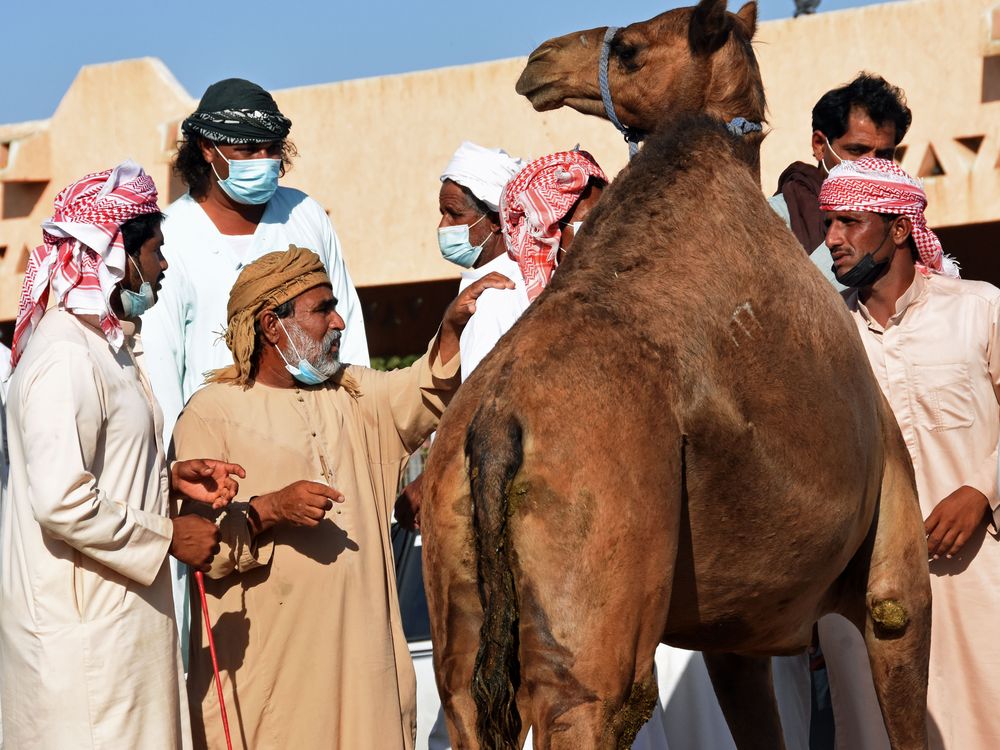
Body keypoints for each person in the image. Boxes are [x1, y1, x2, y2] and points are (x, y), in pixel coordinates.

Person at [170, 246, 509, 750]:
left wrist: (453, 329)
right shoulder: (210, 413)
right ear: (271, 324)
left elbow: (425, 392)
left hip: (366, 675)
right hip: (274, 684)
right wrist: (268, 510)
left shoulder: (354, 393)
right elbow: (200, 550)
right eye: (322, 309)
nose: (339, 321)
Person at [0, 162, 244, 749]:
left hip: (123, 631)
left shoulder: (107, 349)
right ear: (115, 253)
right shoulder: (63, 355)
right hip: (83, 648)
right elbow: (61, 501)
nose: (162, 267)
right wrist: (167, 537)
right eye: (155, 251)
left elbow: (103, 471)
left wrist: (168, 478)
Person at [140, 77, 370, 649]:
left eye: (271, 150)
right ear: (206, 153)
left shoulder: (305, 215)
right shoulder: (173, 236)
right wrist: (183, 483)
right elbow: (163, 368)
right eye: (247, 151)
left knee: (329, 625)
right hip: (219, 474)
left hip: (319, 455)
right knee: (230, 638)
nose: (263, 163)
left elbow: (348, 332)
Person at [820, 157, 998, 749]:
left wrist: (982, 492)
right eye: (827, 223)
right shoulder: (826, 337)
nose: (832, 239)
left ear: (900, 229)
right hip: (865, 591)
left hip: (977, 575)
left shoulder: (979, 308)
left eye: (849, 221)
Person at [769, 73, 912, 291]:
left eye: (883, 155)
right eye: (856, 150)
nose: (870, 166)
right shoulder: (776, 219)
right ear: (819, 145)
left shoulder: (898, 218)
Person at [438, 140, 526, 379]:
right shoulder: (520, 276)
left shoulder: (493, 300)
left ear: (497, 221)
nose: (443, 226)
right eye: (442, 213)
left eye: (454, 215)